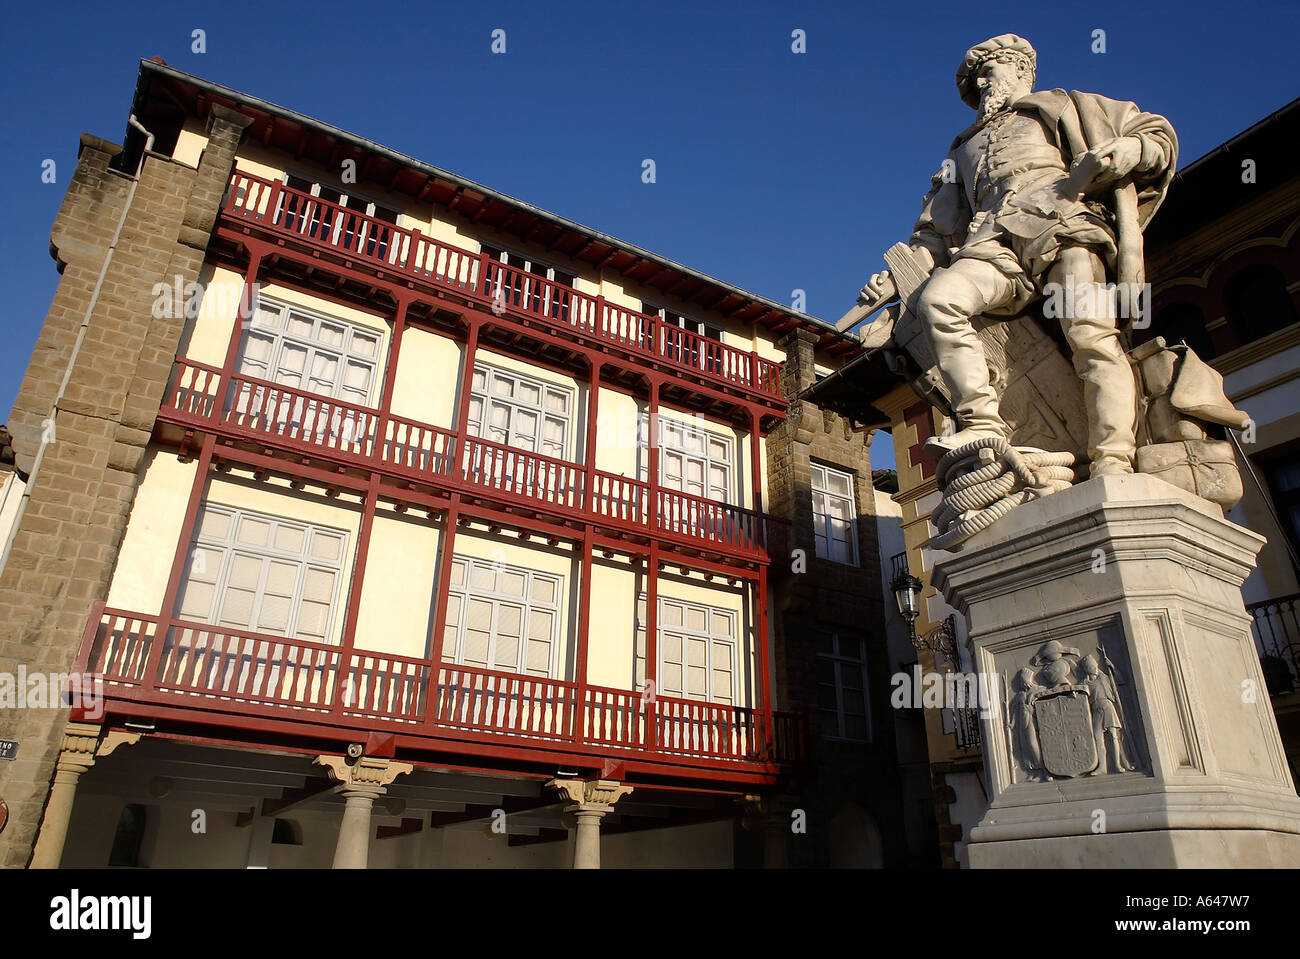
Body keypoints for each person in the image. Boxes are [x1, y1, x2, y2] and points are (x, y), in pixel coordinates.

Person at [861, 34, 1177, 476]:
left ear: (1020, 70)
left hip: (1063, 226)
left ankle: (1113, 457)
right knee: (939, 301)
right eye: (975, 82)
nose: (983, 87)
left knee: (1090, 338)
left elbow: (1154, 134)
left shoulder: (1067, 105)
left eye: (989, 73)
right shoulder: (962, 148)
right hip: (991, 241)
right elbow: (935, 228)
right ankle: (981, 421)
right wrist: (898, 275)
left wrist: (1128, 150)